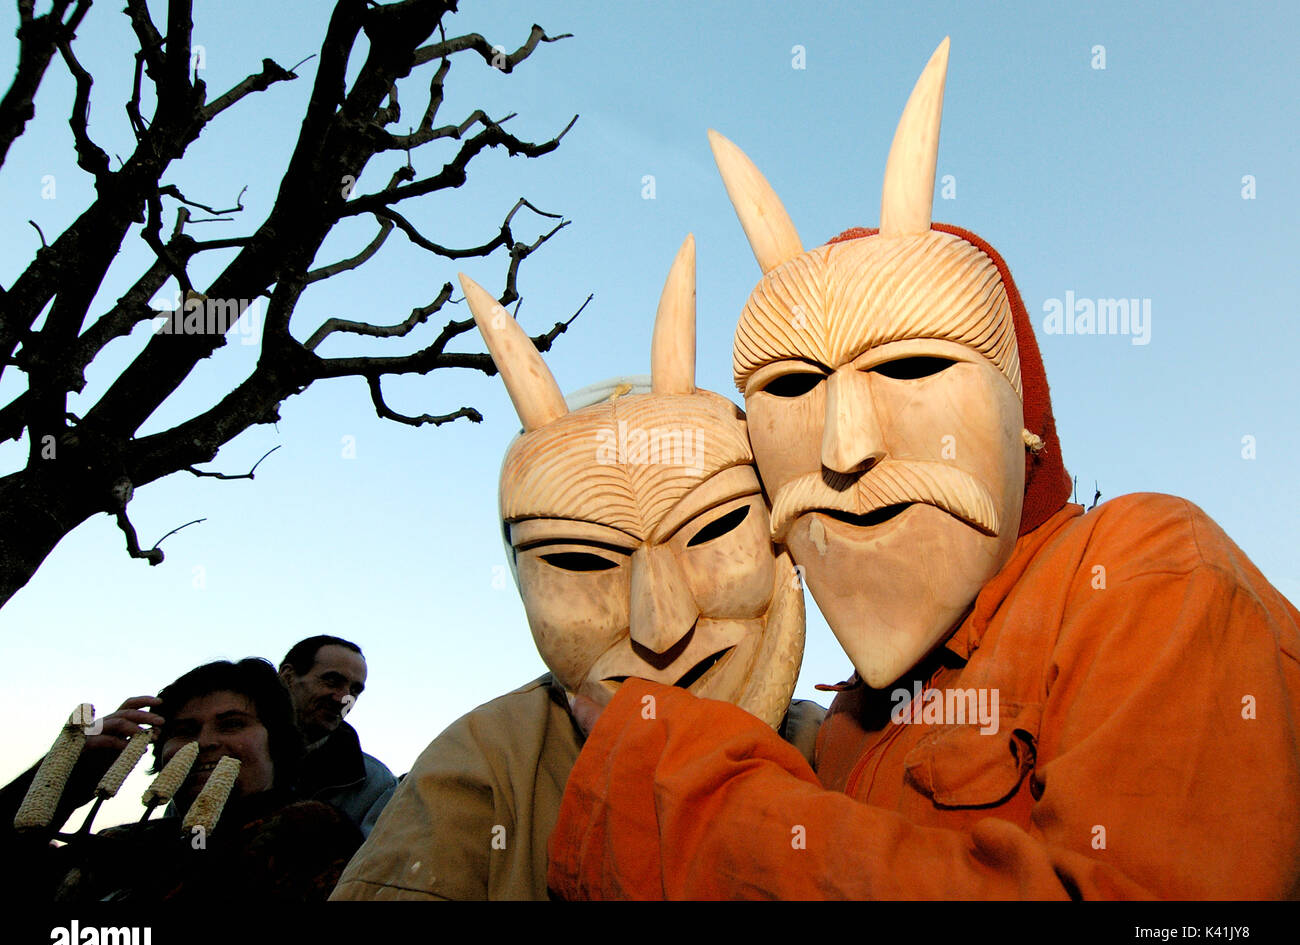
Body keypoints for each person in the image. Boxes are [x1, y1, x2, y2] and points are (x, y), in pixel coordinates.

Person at [544, 40, 1300, 900]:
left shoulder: (1144, 571)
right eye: (791, 389)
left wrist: (672, 791)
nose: (841, 449)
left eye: (911, 368)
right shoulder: (848, 725)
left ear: (1026, 427)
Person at [331, 236, 822, 900]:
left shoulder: (843, 749)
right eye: (581, 561)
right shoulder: (486, 766)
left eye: (711, 530)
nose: (661, 624)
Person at [4, 658, 361, 902]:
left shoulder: (313, 833)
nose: (204, 742)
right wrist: (61, 781)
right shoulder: (127, 843)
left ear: (278, 744)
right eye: (184, 731)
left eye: (233, 724)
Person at [278, 635, 396, 834]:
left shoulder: (376, 786)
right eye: (332, 681)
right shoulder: (222, 749)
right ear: (287, 678)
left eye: (355, 690)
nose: (344, 698)